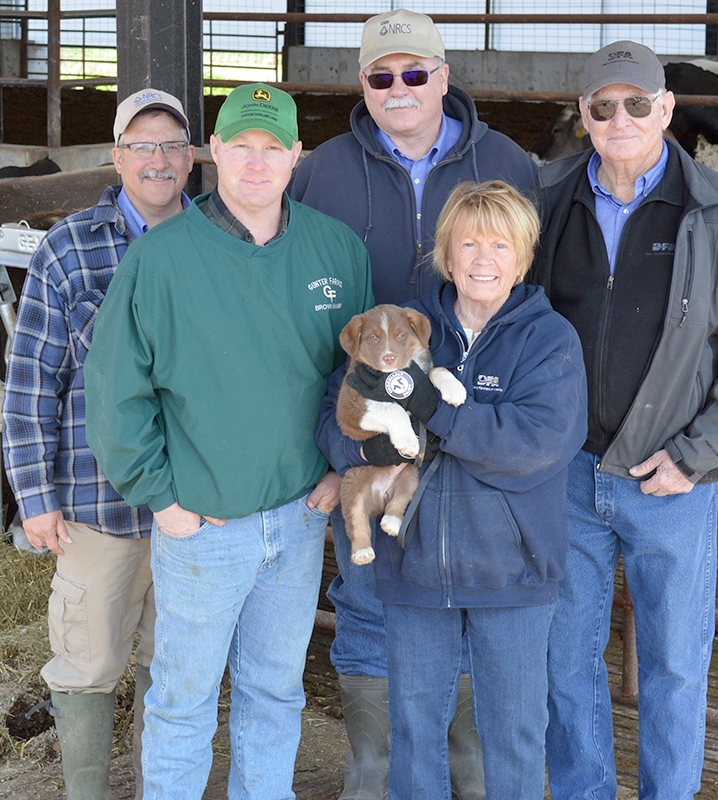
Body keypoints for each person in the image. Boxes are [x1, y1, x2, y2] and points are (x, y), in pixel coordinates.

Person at [85, 84, 374, 800]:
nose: (255, 162)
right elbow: (117, 392)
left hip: (300, 520)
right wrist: (162, 500)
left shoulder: (335, 248)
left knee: (275, 694)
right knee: (184, 701)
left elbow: (360, 376)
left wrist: (343, 475)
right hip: (205, 528)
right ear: (212, 152)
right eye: (239, 146)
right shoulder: (162, 259)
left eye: (271, 147)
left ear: (295, 156)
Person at [287, 10, 539, 797]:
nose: (400, 89)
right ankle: (373, 776)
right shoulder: (321, 171)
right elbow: (299, 316)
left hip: (465, 437)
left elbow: (532, 296)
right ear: (363, 84)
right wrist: (339, 450)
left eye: (415, 72)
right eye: (381, 76)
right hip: (362, 427)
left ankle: (464, 780)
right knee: (364, 602)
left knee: (459, 605)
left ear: (443, 76)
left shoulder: (506, 162)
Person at [531, 41, 718, 800]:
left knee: (675, 664)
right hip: (570, 474)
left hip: (670, 480)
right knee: (564, 661)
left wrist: (697, 454)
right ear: (584, 116)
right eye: (603, 106)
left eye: (637, 103)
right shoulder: (550, 198)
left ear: (666, 110)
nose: (620, 119)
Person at [318, 180, 587, 799]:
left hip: (511, 571)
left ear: (522, 257)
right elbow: (335, 408)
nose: (483, 259)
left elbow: (534, 444)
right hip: (415, 563)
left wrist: (436, 412)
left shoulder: (548, 340)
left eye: (500, 244)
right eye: (469, 243)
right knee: (413, 731)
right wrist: (363, 449)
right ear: (447, 252)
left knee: (515, 734)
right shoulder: (405, 327)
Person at [2, 87, 194, 800]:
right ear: (116, 158)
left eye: (172, 145)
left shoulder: (215, 240)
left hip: (195, 504)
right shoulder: (68, 247)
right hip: (95, 505)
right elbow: (29, 383)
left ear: (192, 159)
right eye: (142, 146)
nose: (158, 159)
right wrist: (35, 496)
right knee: (86, 661)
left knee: (174, 666)